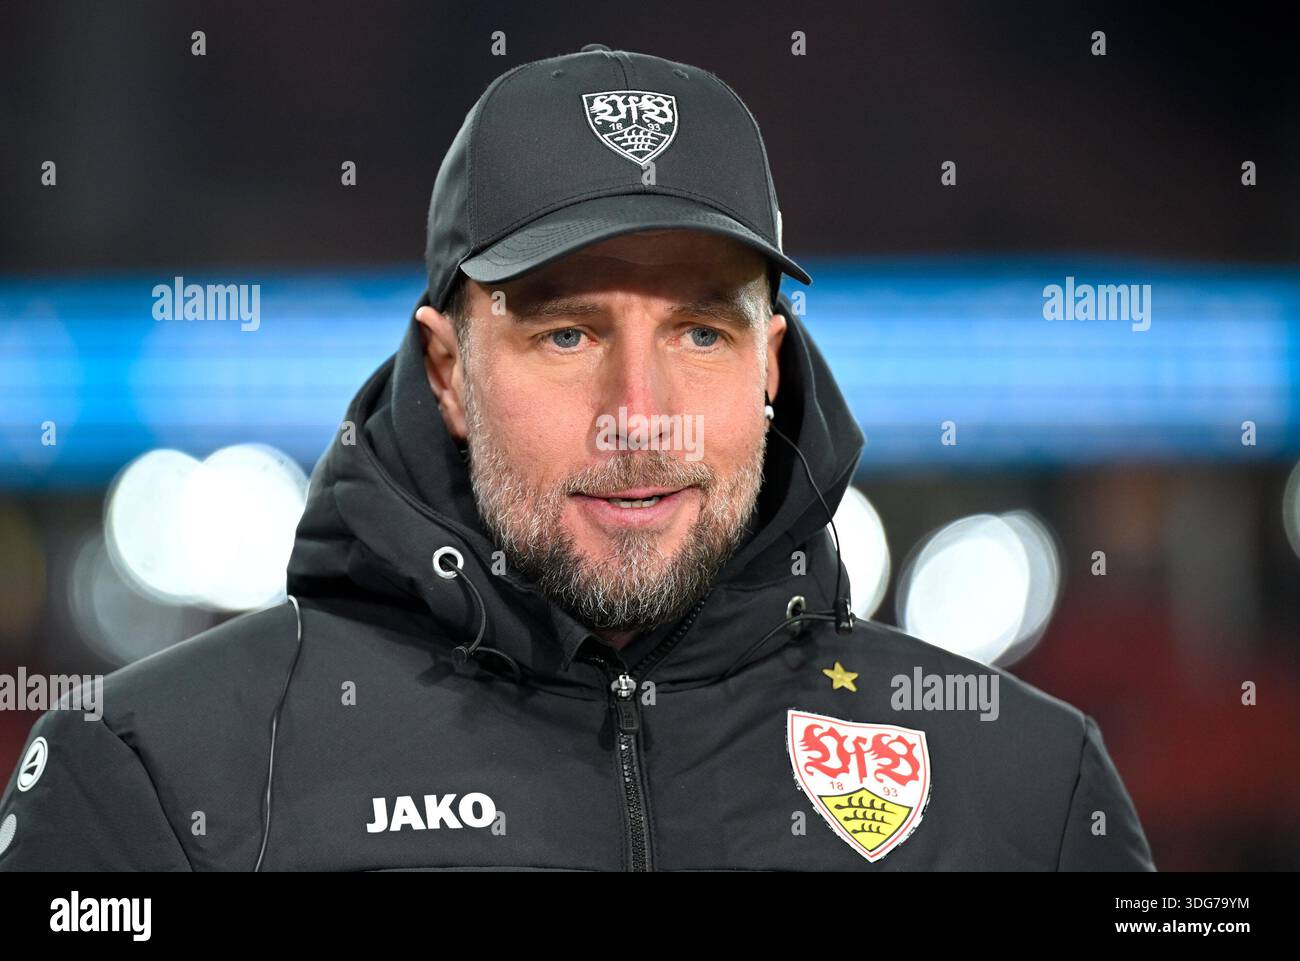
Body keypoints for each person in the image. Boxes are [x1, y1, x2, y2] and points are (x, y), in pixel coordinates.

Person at [0, 44, 1154, 871]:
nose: (637, 414)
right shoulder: (155, 774)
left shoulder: (1026, 784)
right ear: (448, 370)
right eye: (566, 332)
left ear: (770, 363)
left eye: (700, 330)